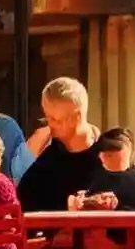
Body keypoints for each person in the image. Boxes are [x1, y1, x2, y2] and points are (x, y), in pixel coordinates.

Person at [16, 77, 103, 212]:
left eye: (56, 119)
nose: (50, 125)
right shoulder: (47, 163)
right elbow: (23, 202)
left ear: (77, 117)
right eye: (47, 117)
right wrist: (66, 204)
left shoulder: (108, 156)